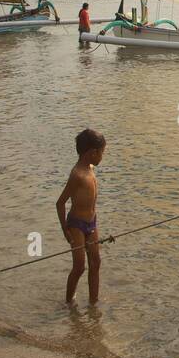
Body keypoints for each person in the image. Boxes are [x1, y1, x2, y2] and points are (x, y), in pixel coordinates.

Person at [56, 128, 106, 305]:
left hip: (91, 223)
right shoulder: (77, 175)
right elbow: (60, 203)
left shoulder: (90, 168)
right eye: (101, 153)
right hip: (76, 224)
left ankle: (94, 303)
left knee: (96, 262)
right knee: (79, 266)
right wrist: (65, 231)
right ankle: (69, 302)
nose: (102, 157)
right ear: (93, 153)